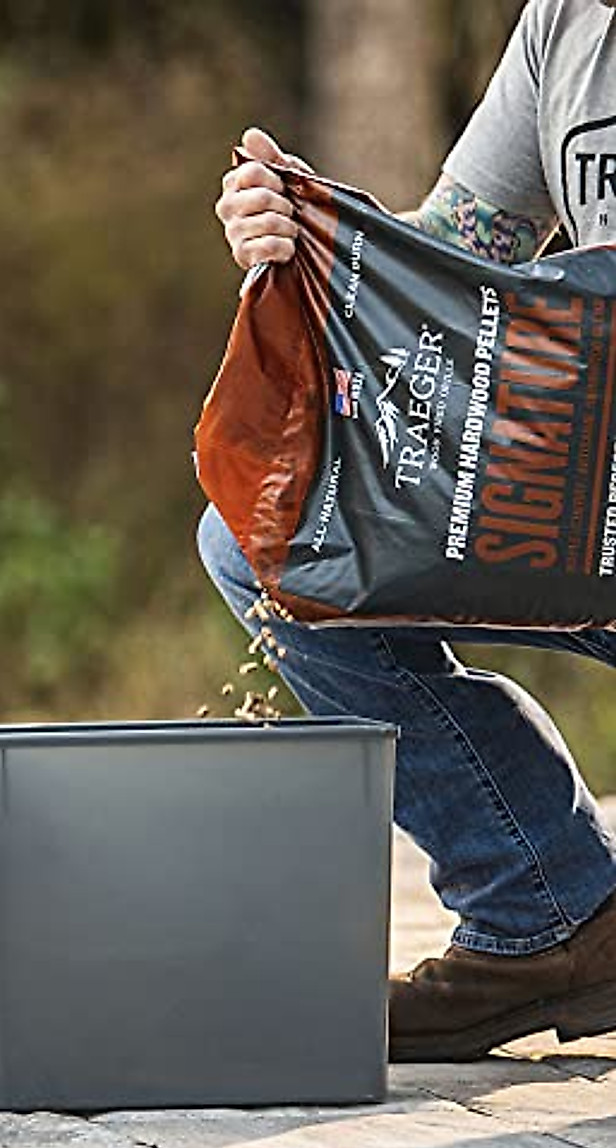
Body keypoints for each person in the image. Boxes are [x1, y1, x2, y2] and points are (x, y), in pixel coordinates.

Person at [206, 0, 616, 1062]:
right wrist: (315, 241)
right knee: (270, 538)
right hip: (589, 511)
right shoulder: (562, 24)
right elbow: (450, 267)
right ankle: (551, 912)